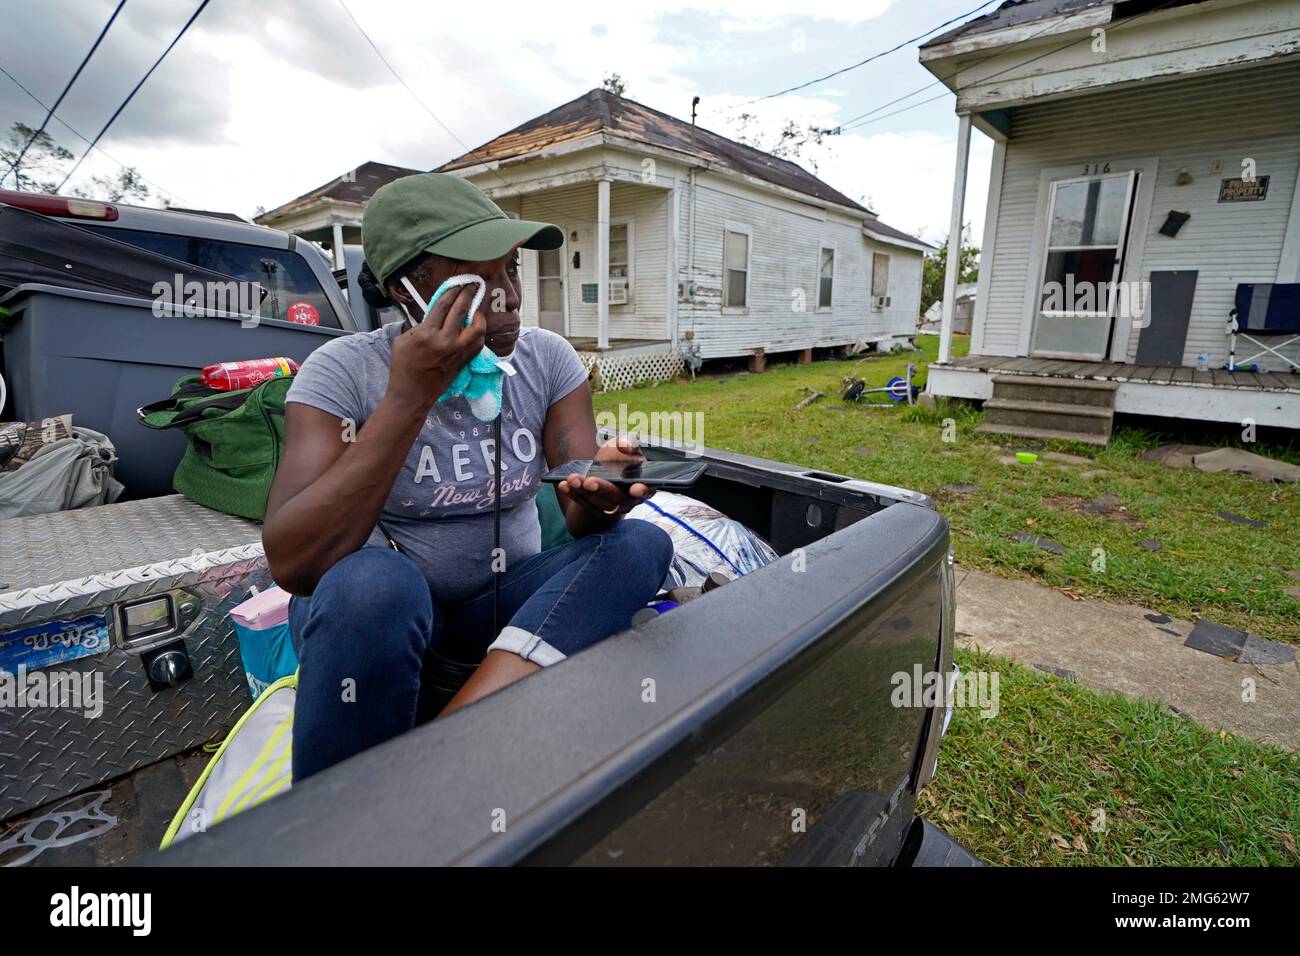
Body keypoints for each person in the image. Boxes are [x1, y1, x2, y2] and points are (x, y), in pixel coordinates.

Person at [263, 172, 673, 781]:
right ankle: (336, 823)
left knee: (642, 545)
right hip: (389, 621)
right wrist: (409, 397)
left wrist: (603, 495)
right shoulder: (342, 372)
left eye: (510, 271)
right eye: (474, 283)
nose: (506, 296)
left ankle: (446, 751)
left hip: (500, 610)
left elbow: (584, 517)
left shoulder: (548, 359)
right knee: (373, 584)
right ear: (408, 289)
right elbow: (294, 563)